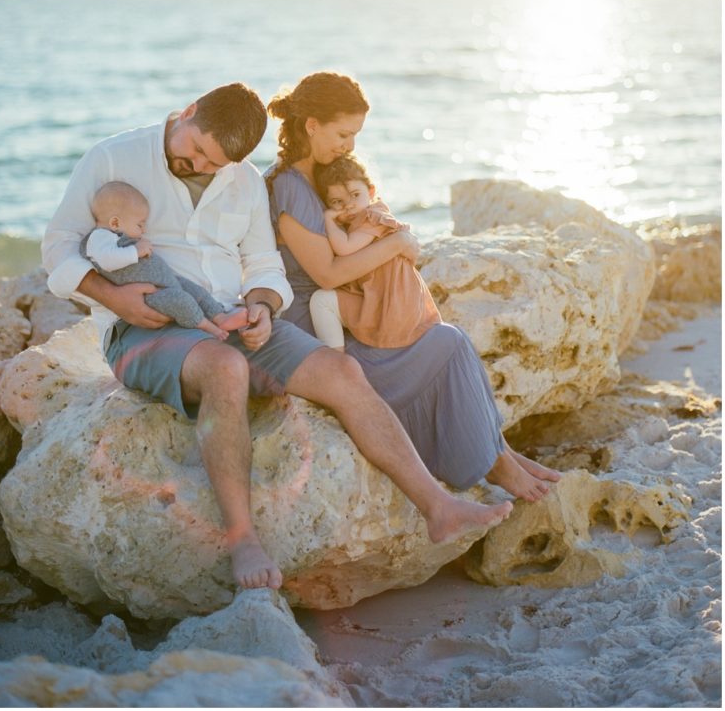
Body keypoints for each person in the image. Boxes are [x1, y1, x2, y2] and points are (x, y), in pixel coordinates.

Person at [43, 82, 514, 594]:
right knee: (227, 370)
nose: (200, 167)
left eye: (214, 164)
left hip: (232, 316)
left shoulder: (243, 180)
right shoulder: (112, 157)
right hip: (144, 323)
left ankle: (439, 507)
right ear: (188, 112)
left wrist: (263, 308)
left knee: (342, 371)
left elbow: (264, 265)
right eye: (196, 150)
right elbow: (59, 246)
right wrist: (113, 299)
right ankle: (243, 538)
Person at [266, 71, 561, 500]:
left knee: (451, 337)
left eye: (355, 136)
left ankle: (500, 451)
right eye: (343, 134)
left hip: (349, 306)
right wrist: (399, 243)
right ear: (311, 125)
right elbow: (327, 274)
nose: (349, 146)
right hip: (318, 327)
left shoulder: (323, 175)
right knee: (448, 344)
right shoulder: (290, 188)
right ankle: (494, 467)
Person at [82, 180, 248, 339]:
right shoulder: (99, 238)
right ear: (115, 222)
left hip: (167, 281)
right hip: (151, 293)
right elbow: (107, 261)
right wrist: (136, 251)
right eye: (140, 225)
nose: (144, 230)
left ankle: (220, 317)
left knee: (197, 291)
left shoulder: (114, 234)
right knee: (181, 302)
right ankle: (206, 325)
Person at [309, 155, 441, 350]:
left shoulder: (372, 217)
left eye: (355, 195)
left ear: (371, 191)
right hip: (391, 302)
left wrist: (328, 219)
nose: (349, 205)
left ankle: (335, 359)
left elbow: (345, 248)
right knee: (323, 300)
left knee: (321, 301)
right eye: (338, 201)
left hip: (390, 308)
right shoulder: (367, 219)